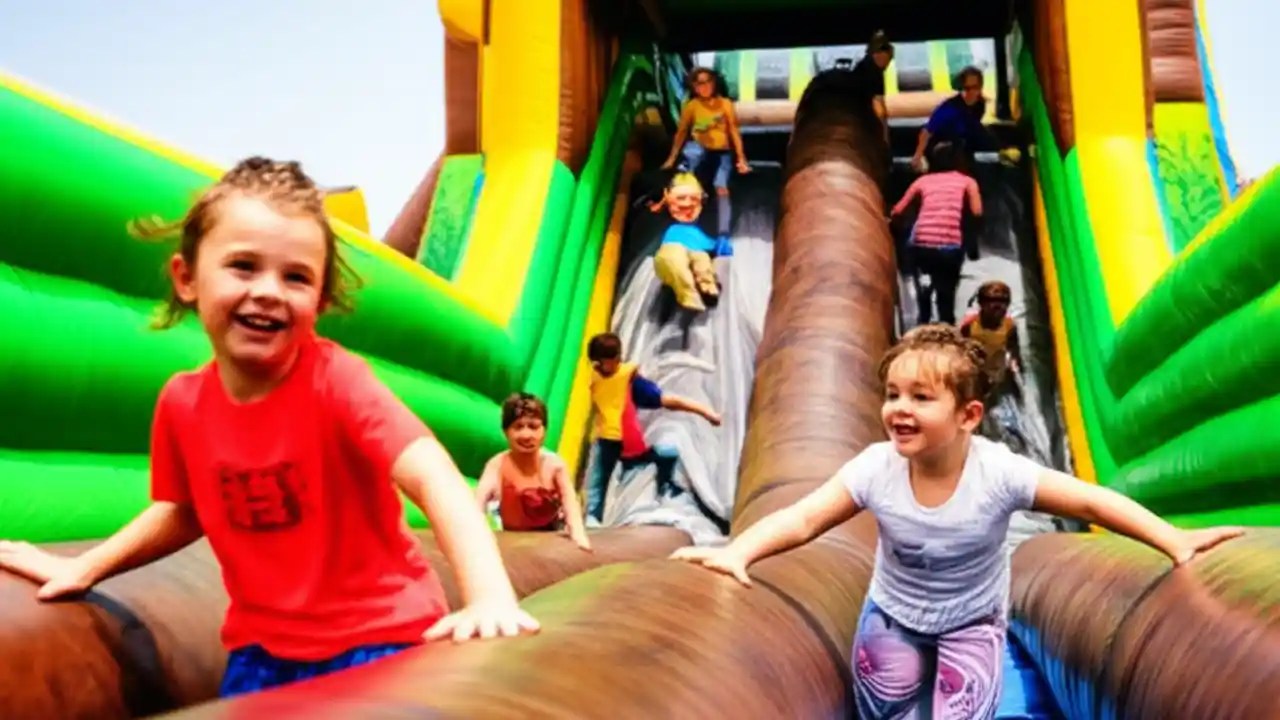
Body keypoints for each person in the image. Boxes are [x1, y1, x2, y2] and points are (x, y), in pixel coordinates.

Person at [0, 157, 538, 698]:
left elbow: (433, 474)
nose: (269, 291)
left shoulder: (337, 381)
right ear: (187, 278)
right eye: (243, 266)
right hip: (262, 654)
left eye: (296, 277)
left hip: (380, 637)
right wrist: (84, 566)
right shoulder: (182, 404)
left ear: (321, 300)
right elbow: (186, 510)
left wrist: (489, 596)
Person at [672, 324, 1243, 720]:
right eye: (892, 393)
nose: (899, 408)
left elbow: (1091, 502)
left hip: (971, 621)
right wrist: (738, 551)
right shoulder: (876, 467)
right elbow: (803, 518)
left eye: (921, 397)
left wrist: (1173, 539)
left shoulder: (998, 472)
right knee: (886, 701)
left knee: (962, 709)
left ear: (969, 416)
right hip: (893, 614)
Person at [585, 332, 722, 525]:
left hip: (627, 442)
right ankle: (592, 518)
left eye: (616, 358)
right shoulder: (592, 376)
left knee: (666, 455)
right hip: (606, 439)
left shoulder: (629, 380)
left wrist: (706, 412)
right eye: (610, 360)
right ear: (598, 361)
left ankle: (664, 488)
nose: (615, 363)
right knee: (598, 482)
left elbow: (669, 400)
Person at [475, 392, 591, 551]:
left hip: (551, 534)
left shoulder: (554, 465)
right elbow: (477, 503)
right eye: (518, 427)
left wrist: (578, 535)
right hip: (513, 536)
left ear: (544, 430)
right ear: (505, 431)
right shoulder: (498, 465)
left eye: (534, 427)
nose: (526, 435)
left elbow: (569, 501)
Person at [890, 141, 982, 325]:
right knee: (946, 289)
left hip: (921, 244)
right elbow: (977, 211)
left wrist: (894, 227)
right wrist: (971, 240)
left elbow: (898, 211)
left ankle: (923, 316)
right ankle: (946, 322)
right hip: (950, 246)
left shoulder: (922, 181)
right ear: (959, 161)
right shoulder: (967, 181)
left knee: (925, 276)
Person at [661, 66, 751, 242]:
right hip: (699, 151)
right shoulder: (692, 106)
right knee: (691, 181)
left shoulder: (725, 104)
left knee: (721, 188)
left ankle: (723, 234)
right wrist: (671, 158)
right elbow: (681, 133)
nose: (705, 86)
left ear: (714, 83)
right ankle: (688, 227)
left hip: (721, 152)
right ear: (694, 87)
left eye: (708, 82)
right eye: (700, 83)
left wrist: (741, 158)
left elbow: (733, 131)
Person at [649, 172, 734, 312]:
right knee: (673, 257)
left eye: (693, 199)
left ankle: (708, 287)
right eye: (681, 199)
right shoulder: (666, 223)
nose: (687, 204)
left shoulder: (704, 224)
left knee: (701, 261)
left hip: (697, 249)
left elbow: (723, 202)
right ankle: (689, 295)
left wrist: (723, 235)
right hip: (673, 251)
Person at [910, 66, 998, 173]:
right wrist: (918, 155)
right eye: (966, 88)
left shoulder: (980, 104)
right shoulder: (950, 109)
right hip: (944, 149)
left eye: (974, 88)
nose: (970, 93)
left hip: (965, 141)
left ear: (980, 87)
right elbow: (927, 131)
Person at [960, 280, 1022, 388]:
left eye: (1004, 301)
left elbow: (1014, 351)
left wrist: (1016, 368)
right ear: (981, 303)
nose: (998, 305)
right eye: (991, 300)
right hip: (974, 374)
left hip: (996, 374)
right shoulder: (969, 325)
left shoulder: (1009, 325)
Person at [848, 30, 895, 139]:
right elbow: (879, 109)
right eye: (889, 59)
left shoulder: (864, 65)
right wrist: (884, 138)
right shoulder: (873, 71)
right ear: (881, 54)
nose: (888, 64)